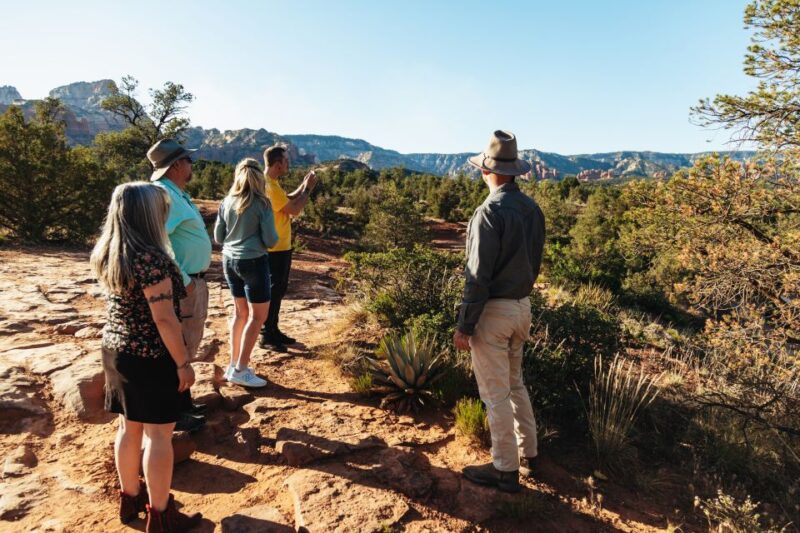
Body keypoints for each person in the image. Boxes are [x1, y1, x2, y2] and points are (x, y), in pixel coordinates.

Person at [90, 182, 202, 532]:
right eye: (161, 208)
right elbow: (165, 319)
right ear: (148, 214)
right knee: (159, 437)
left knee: (127, 428)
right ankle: (161, 514)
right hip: (151, 356)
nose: (164, 213)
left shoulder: (109, 251)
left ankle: (130, 498)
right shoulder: (151, 258)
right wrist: (183, 363)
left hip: (116, 350)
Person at [454, 130, 546, 493]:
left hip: (493, 313)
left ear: (486, 171)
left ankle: (504, 469)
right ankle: (530, 454)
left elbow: (477, 276)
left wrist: (465, 325)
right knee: (515, 383)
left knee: (495, 394)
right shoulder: (532, 209)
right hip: (522, 307)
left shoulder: (488, 211)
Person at [148, 138, 213, 432]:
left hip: (193, 282)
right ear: (175, 165)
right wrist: (182, 281)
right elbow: (159, 243)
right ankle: (174, 413)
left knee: (186, 343)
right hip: (184, 286)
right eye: (188, 160)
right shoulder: (166, 196)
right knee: (178, 347)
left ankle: (183, 404)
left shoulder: (176, 193)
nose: (191, 165)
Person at [214, 158, 279, 387]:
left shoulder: (226, 201)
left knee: (240, 314)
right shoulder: (262, 203)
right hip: (253, 261)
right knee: (258, 316)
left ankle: (234, 364)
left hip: (229, 261)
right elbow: (271, 240)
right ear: (259, 177)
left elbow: (219, 238)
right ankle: (241, 369)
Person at [258, 144, 319, 352]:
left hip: (279, 247)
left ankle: (273, 330)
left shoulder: (271, 184)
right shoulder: (270, 187)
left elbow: (287, 201)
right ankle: (267, 334)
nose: (288, 163)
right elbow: (293, 209)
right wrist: (309, 189)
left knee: (278, 290)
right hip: (276, 249)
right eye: (286, 161)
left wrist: (302, 185)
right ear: (277, 164)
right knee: (274, 291)